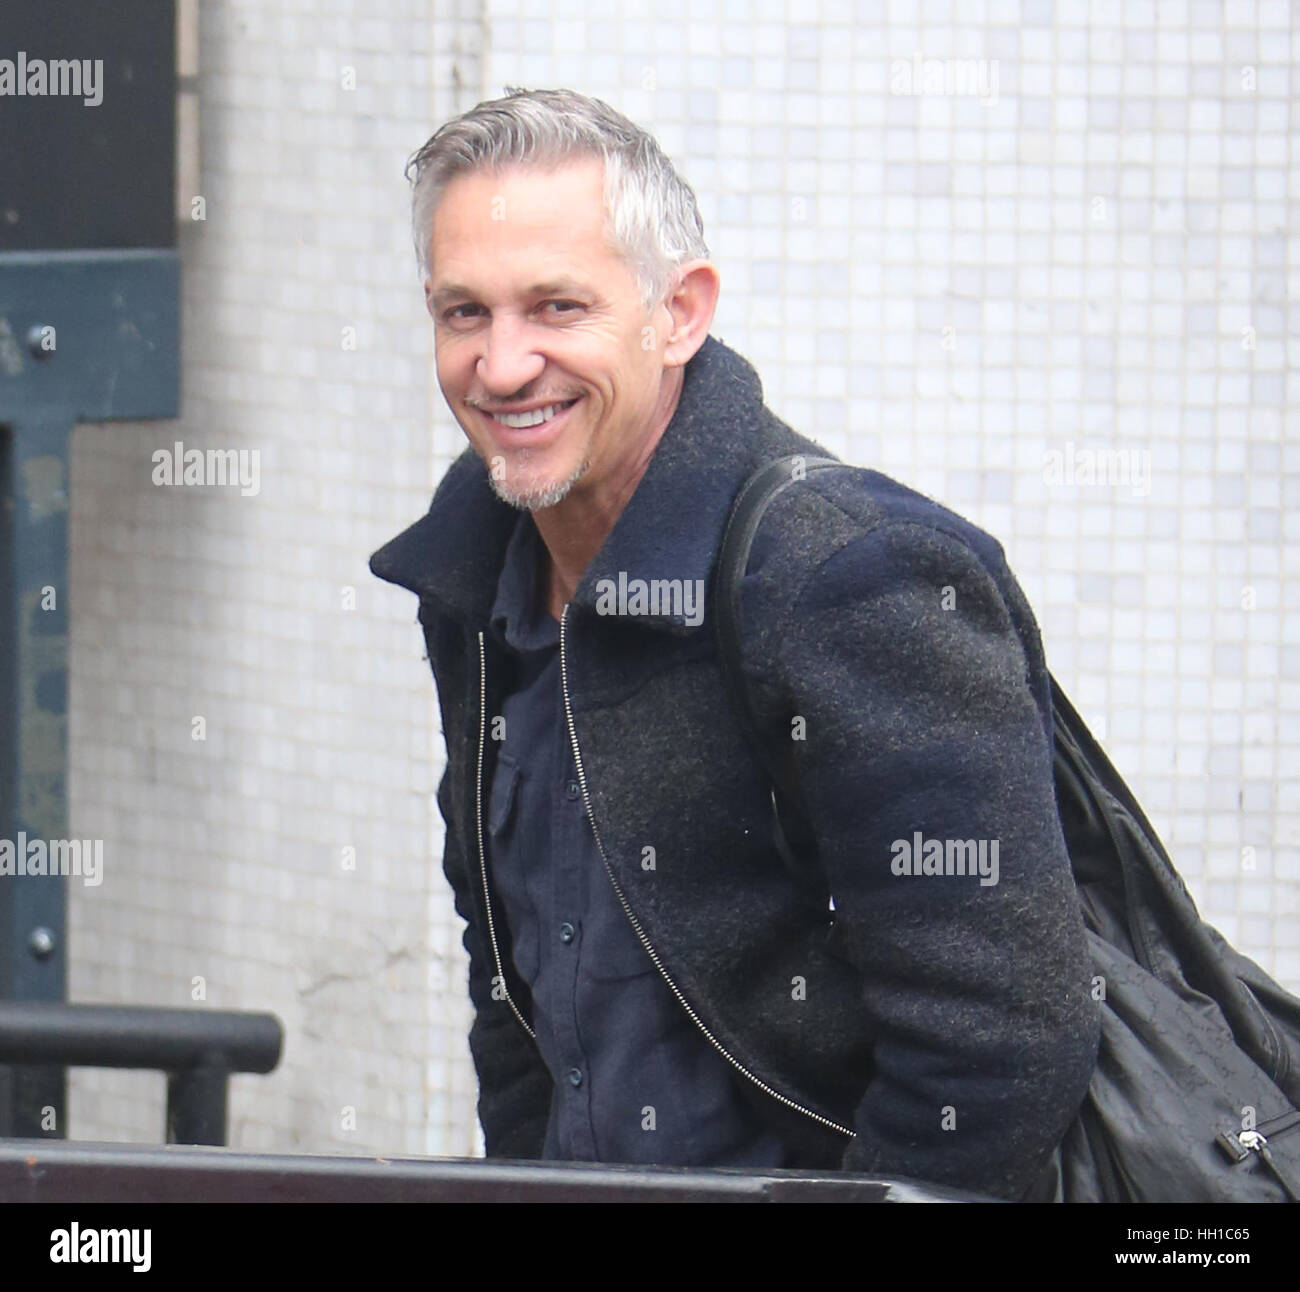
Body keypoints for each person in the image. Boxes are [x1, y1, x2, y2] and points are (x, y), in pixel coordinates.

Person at [370, 87, 1101, 1202]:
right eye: (463, 312)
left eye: (557, 307)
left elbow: (998, 1048)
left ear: (679, 311)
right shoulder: (477, 568)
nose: (503, 366)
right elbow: (512, 984)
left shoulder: (852, 580)